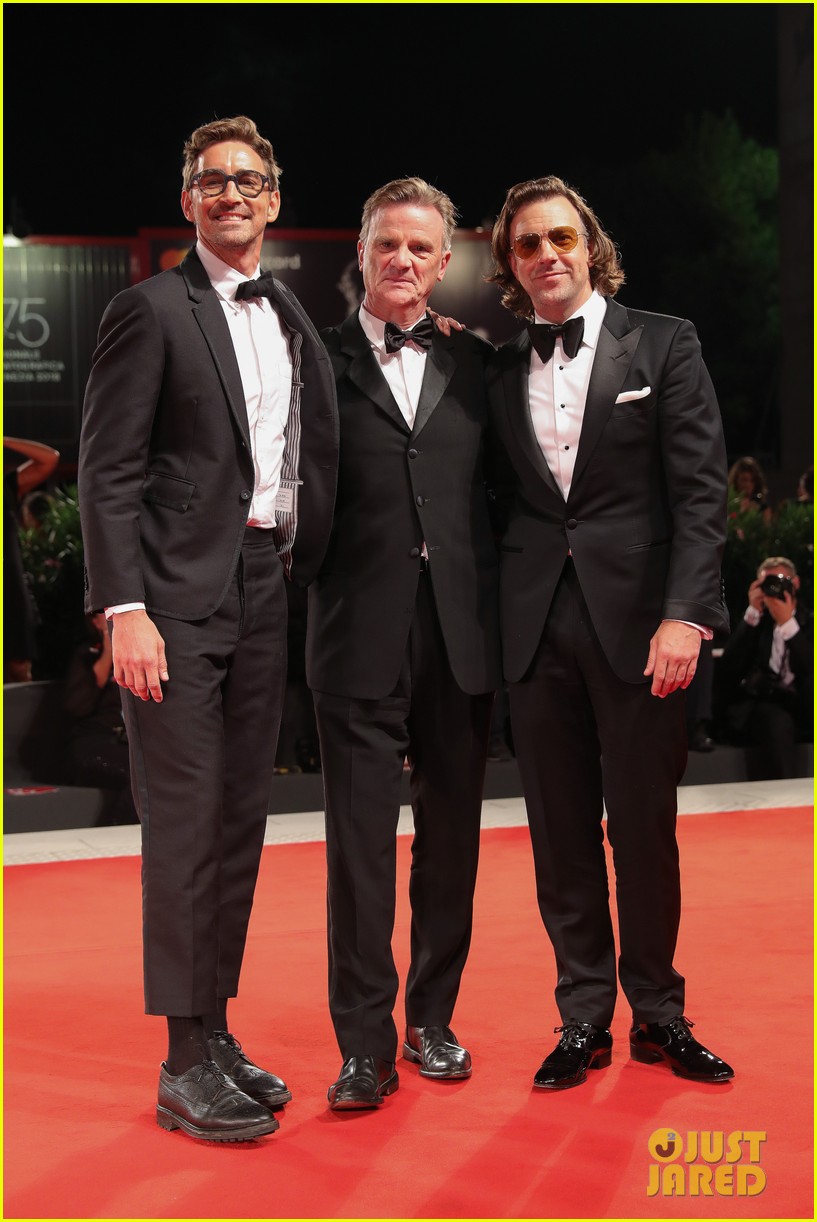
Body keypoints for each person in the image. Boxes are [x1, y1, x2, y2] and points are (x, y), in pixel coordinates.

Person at [78, 116, 338, 1142]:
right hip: (171, 604)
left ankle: (215, 1032)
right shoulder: (148, 310)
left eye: (249, 179)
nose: (231, 193)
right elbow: (107, 471)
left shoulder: (291, 313)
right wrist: (123, 610)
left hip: (265, 587)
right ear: (187, 199)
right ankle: (182, 1062)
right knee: (185, 826)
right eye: (211, 179)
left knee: (236, 823)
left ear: (273, 198)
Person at [486, 175, 734, 1090]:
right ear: (510, 265)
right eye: (526, 244)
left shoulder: (664, 342)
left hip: (641, 628)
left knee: (642, 830)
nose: (546, 254)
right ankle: (582, 1018)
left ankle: (659, 1014)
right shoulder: (496, 368)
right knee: (559, 836)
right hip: (532, 629)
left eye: (560, 237)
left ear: (589, 244)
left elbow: (699, 492)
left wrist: (686, 614)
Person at [306, 178, 500, 1110]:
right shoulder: (314, 359)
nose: (402, 260)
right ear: (361, 250)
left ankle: (431, 1020)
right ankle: (362, 1047)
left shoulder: (478, 362)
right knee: (358, 852)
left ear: (444, 261)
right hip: (355, 632)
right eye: (387, 243)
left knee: (450, 841)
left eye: (420, 248)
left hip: (461, 634)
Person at [719, 556, 813, 778]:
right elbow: (729, 666)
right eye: (766, 583)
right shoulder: (757, 623)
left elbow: (811, 666)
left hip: (806, 701)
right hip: (765, 702)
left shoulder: (810, 620)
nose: (774, 588)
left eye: (780, 580)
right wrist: (753, 612)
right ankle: (785, 793)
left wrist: (787, 623)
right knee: (776, 721)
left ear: (795, 583)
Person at [62, 612, 138, 824]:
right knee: (136, 772)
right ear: (94, 621)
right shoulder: (86, 655)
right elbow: (79, 706)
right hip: (94, 741)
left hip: (130, 741)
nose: (113, 616)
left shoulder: (137, 655)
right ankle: (119, 832)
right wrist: (109, 648)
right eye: (105, 613)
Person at [3, 436, 60, 682]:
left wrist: (3, 439)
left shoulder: (5, 487)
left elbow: (49, 459)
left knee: (19, 675)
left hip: (10, 600)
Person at [727, 455, 772, 523]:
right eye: (744, 480)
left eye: (752, 481)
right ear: (736, 481)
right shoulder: (727, 506)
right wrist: (740, 512)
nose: (748, 485)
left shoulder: (762, 510)